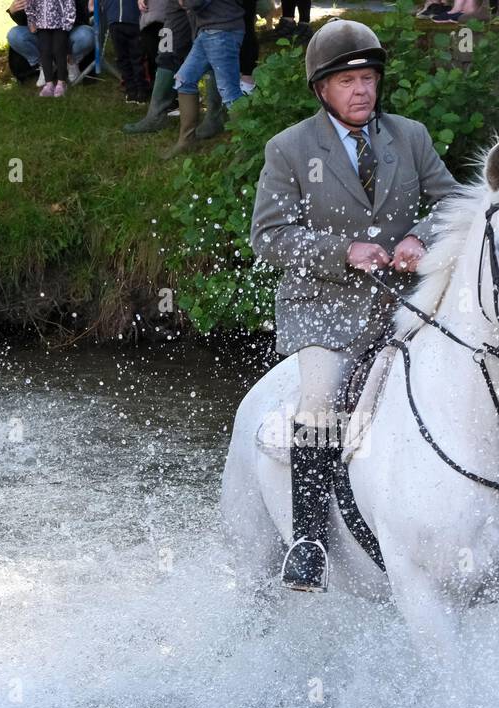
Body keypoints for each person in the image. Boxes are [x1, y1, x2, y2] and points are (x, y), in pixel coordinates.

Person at [248, 20, 458, 591]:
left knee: (486, 356)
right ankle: (310, 539)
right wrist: (344, 251)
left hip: (404, 301)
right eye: (348, 82)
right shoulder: (289, 148)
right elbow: (268, 237)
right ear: (322, 90)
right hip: (322, 308)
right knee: (320, 400)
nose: (362, 90)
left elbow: (453, 204)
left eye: (368, 79)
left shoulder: (409, 136)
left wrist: (419, 236)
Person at [166, 0, 246, 157]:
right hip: (210, 30)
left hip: (221, 30)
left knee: (229, 93)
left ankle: (246, 148)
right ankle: (186, 141)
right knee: (184, 80)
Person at [124, 0, 193, 133]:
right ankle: (156, 115)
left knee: (211, 51)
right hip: (174, 8)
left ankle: (215, 118)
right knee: (167, 54)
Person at [7, 0, 97, 87]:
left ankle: (71, 62)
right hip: (41, 33)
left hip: (70, 30)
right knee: (14, 35)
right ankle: (45, 64)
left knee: (87, 35)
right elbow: (23, 22)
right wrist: (13, 11)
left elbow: (83, 16)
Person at [97, 0, 148, 103]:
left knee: (137, 57)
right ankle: (131, 89)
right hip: (114, 19)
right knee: (122, 58)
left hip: (133, 18)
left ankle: (141, 89)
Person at [27, 0, 77, 96]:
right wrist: (31, 20)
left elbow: (69, 4)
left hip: (60, 25)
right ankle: (48, 84)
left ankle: (61, 83)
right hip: (42, 25)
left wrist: (67, 23)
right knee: (45, 51)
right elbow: (29, 4)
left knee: (59, 50)